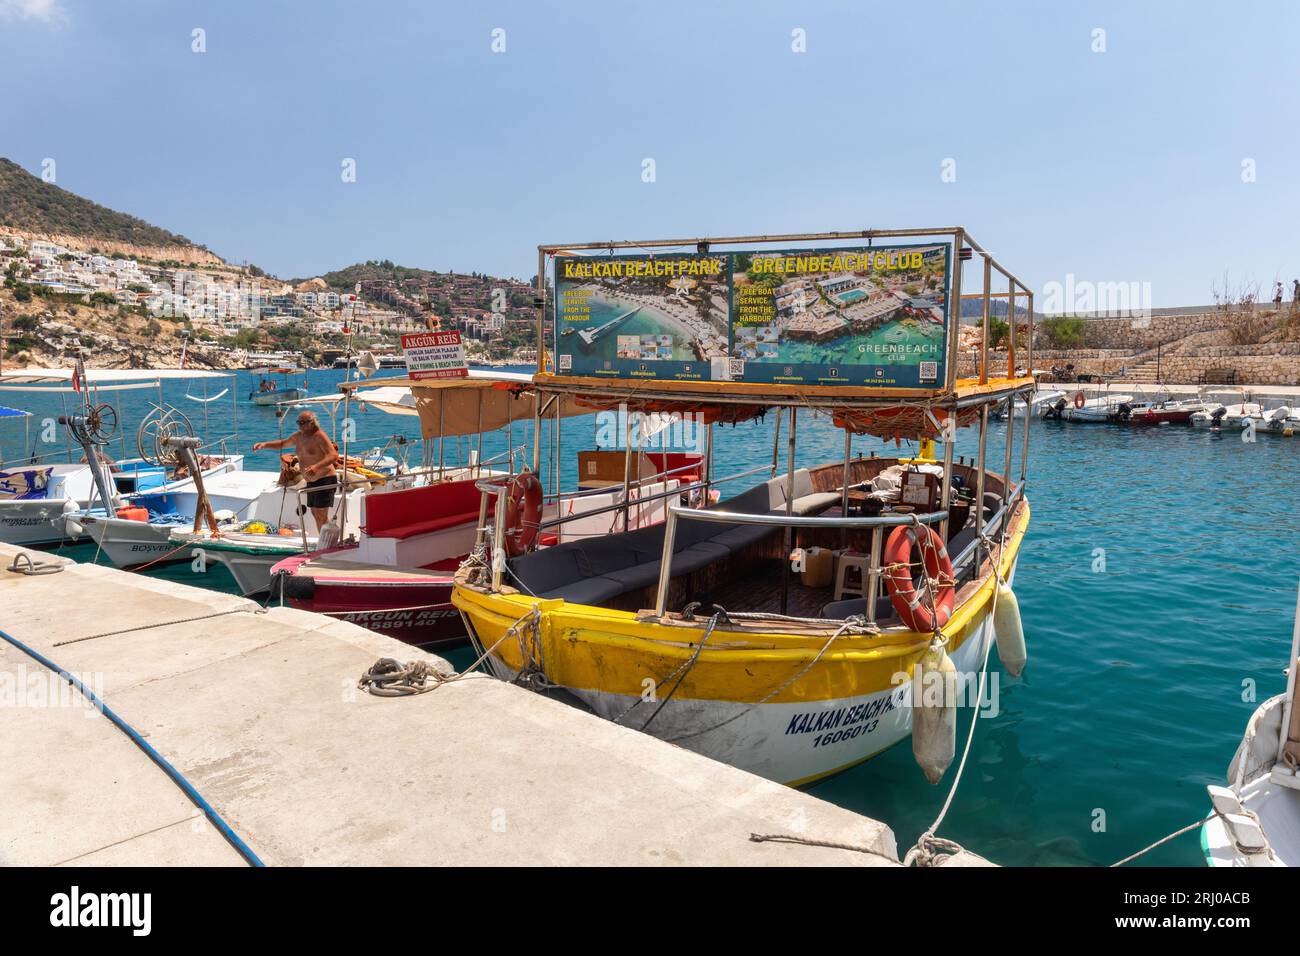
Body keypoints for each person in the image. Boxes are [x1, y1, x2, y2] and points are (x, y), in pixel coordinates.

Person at [253, 411, 338, 530]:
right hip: (312, 481)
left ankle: (328, 543)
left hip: (325, 479)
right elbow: (283, 443)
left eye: (303, 423)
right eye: (298, 422)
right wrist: (264, 444)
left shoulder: (319, 436)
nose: (300, 425)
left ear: (312, 423)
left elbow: (333, 455)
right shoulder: (299, 436)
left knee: (320, 514)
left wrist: (316, 467)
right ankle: (326, 540)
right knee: (315, 513)